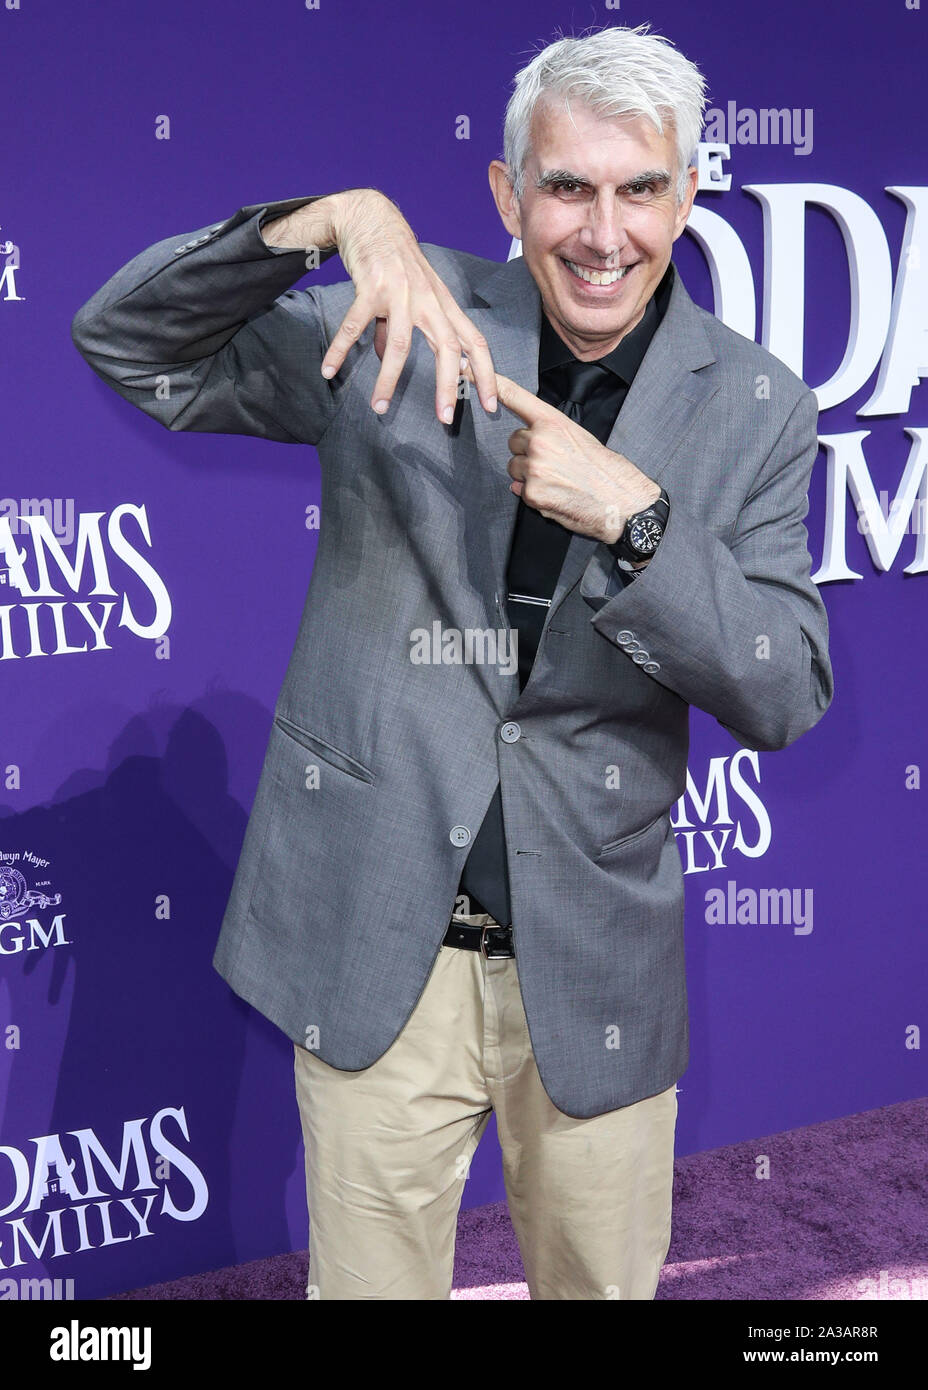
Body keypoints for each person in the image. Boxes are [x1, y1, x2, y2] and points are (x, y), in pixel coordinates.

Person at [70, 23, 833, 1300]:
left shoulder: (756, 408)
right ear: (506, 191)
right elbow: (133, 342)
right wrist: (331, 220)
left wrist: (639, 524)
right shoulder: (397, 320)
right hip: (383, 946)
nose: (603, 233)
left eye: (640, 188)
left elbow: (784, 687)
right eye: (566, 186)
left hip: (591, 968)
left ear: (690, 193)